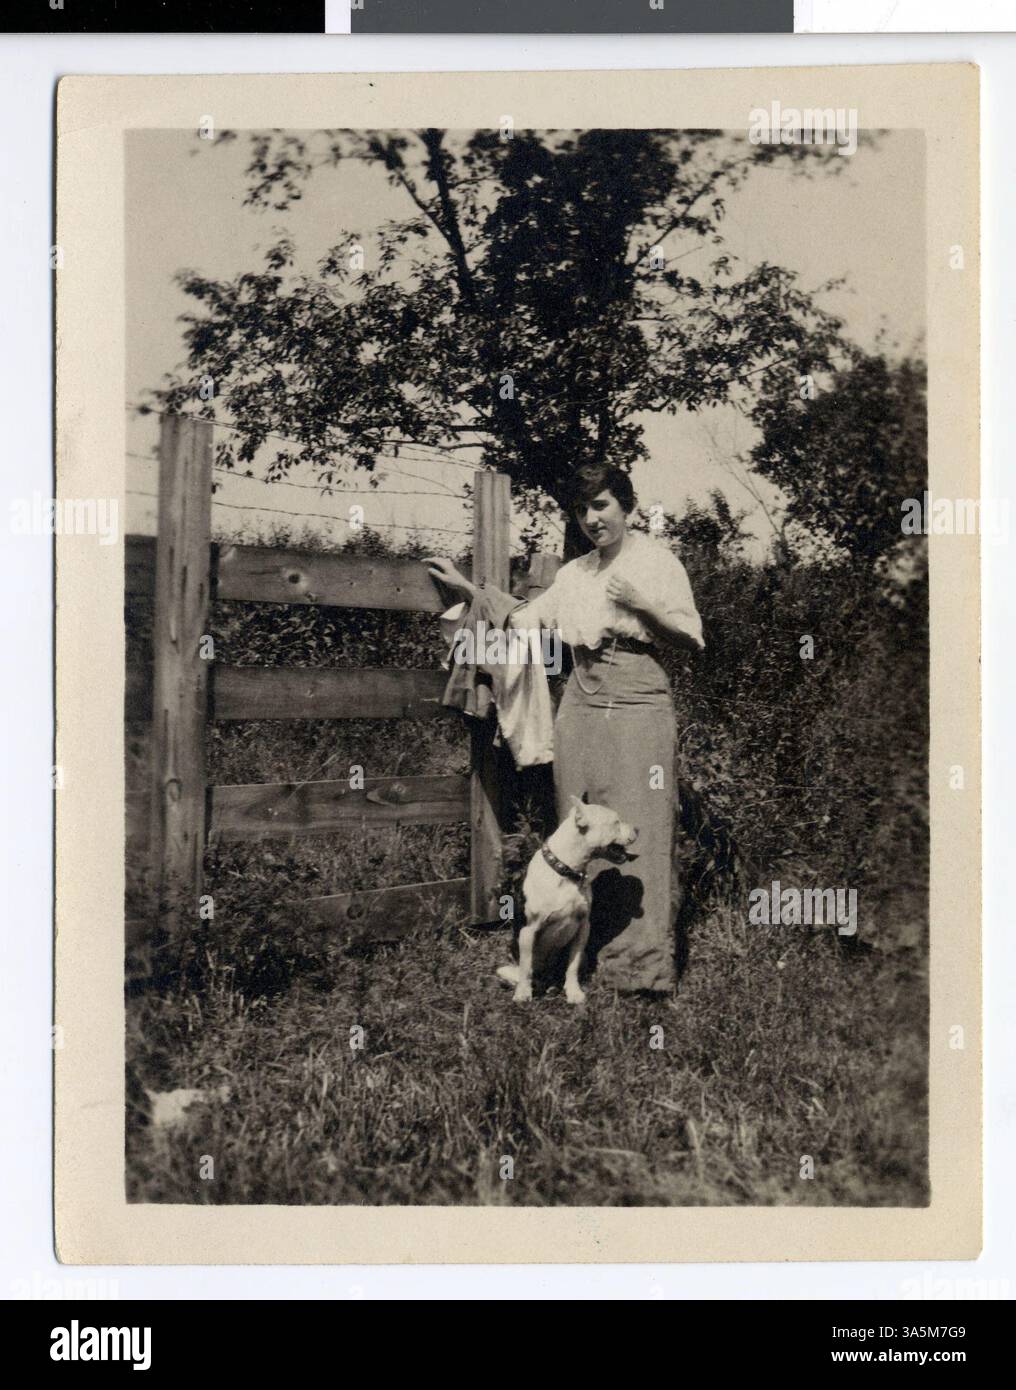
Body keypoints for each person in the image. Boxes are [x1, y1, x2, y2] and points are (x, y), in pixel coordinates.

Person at [427, 462, 704, 997]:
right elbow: (525, 620)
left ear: (625, 505)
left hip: (638, 694)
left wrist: (643, 605)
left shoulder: (657, 561)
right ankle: (582, 958)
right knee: (581, 826)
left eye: (601, 505)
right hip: (579, 698)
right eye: (582, 510)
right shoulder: (574, 574)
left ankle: (639, 971)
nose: (592, 519)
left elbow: (691, 638)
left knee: (640, 821)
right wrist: (466, 588)